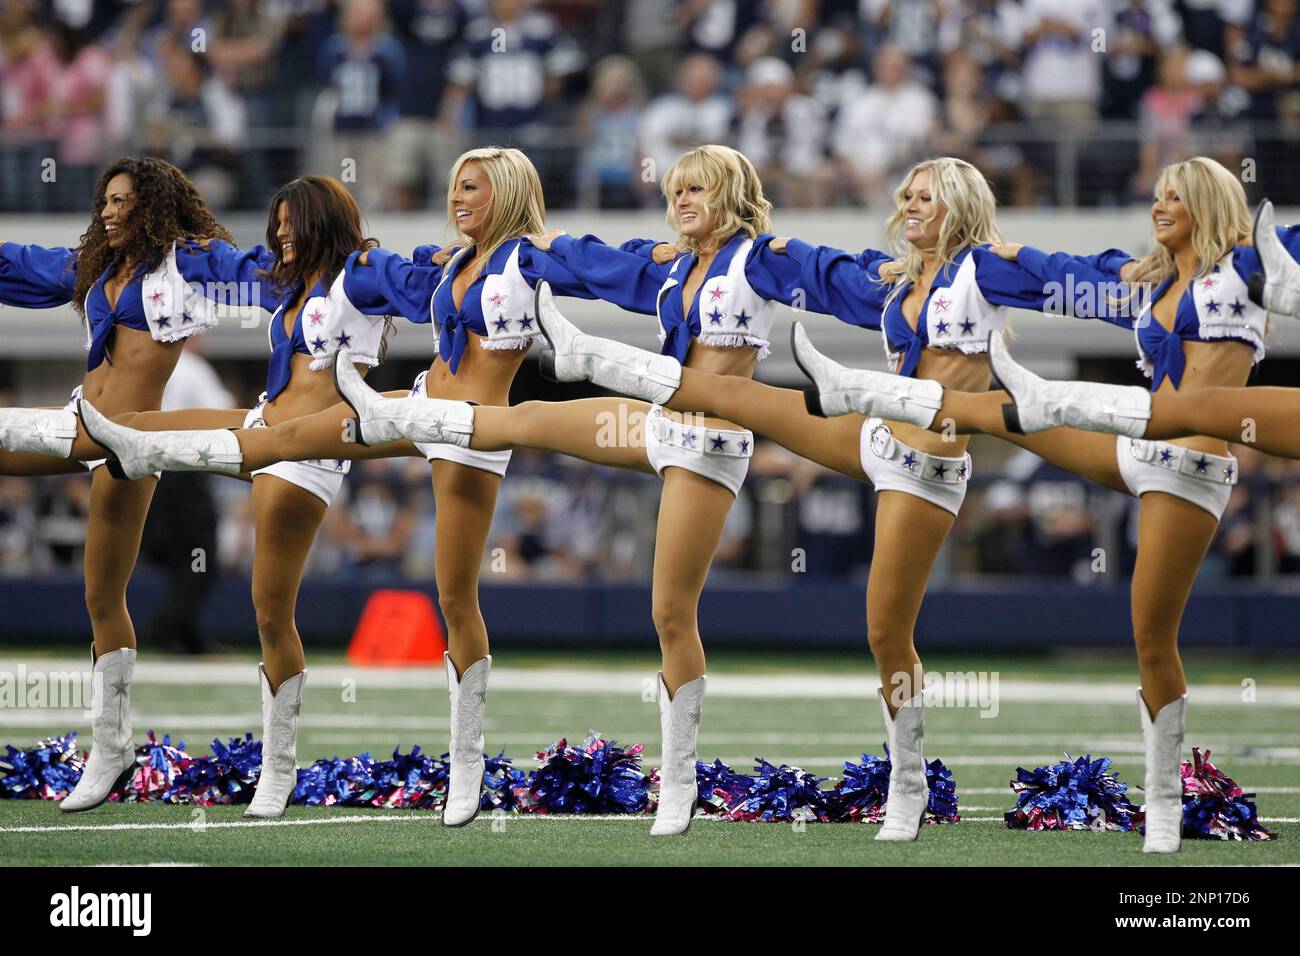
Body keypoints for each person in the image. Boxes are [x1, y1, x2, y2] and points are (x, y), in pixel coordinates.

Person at [326, 156, 1070, 843]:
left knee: (691, 612)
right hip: (657, 423)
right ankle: (399, 412)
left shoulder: (763, 259)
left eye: (697, 189)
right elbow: (603, 265)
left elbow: (834, 274)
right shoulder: (681, 266)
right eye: (675, 189)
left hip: (721, 445)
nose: (681, 200)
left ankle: (758, 783)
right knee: (528, 419)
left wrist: (1125, 280)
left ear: (732, 199)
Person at [73, 147, 599, 830]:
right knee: (131, 430)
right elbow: (229, 270)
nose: (283, 236)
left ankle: (421, 768)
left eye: (293, 225)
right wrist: (163, 234)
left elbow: (433, 283)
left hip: (368, 441)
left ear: (323, 223)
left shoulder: (367, 271)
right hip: (287, 423)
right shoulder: (288, 285)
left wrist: (598, 263)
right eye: (277, 226)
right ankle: (116, 449)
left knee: (345, 603)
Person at [786, 158, 1288, 853]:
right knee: (989, 412)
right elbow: (833, 276)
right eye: (1157, 194)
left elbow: (1064, 282)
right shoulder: (1147, 280)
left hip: (1185, 467)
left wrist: (1021, 259)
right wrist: (767, 250)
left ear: (1208, 202)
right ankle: (861, 392)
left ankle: (1166, 805)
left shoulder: (1243, 268)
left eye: (1174, 196)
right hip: (1116, 444)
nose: (1159, 205)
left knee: (1150, 637)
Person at [0, 156, 232, 812]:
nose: (106, 212)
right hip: (84, 420)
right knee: (101, 597)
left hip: (132, 442)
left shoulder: (186, 265)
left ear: (153, 206)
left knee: (104, 596)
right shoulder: (97, 265)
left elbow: (262, 280)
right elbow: (19, 264)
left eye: (120, 202)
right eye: (103, 201)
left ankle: (109, 748)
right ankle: (112, 747)